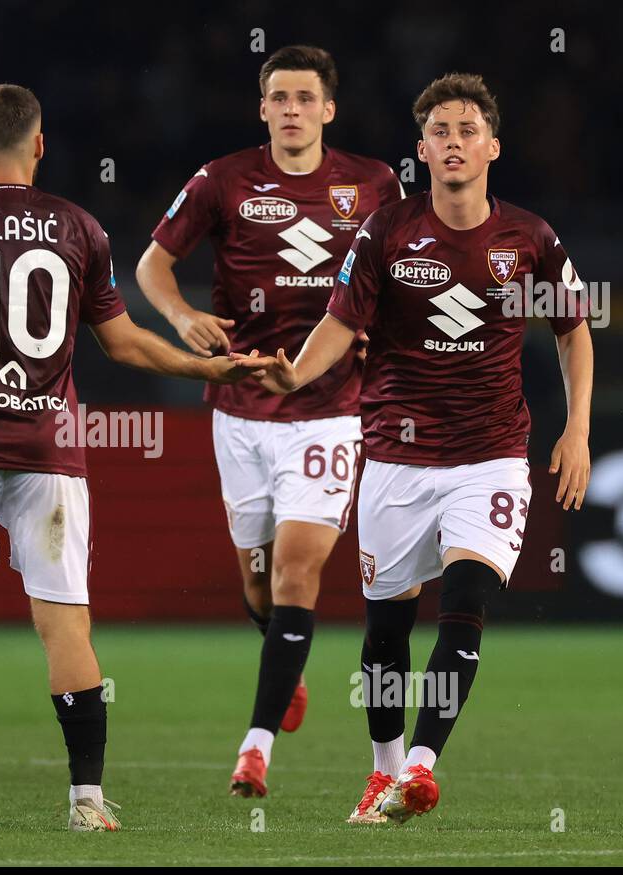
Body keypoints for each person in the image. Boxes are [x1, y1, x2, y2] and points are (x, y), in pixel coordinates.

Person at [0, 84, 257, 832]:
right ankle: (86, 800)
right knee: (66, 625)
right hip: (49, 447)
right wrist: (205, 367)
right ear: (40, 145)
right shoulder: (78, 226)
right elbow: (121, 341)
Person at [235, 73, 594, 823]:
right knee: (386, 630)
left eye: (467, 130)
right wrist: (294, 375)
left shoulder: (529, 237)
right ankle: (384, 770)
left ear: (492, 147)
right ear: (420, 149)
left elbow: (573, 330)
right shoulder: (387, 230)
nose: (453, 142)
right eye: (439, 131)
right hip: (396, 460)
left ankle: (423, 768)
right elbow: (339, 321)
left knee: (466, 600)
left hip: (491, 456)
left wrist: (578, 429)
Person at [136, 45, 403, 797]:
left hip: (331, 411)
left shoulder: (373, 183)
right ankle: (284, 663)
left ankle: (254, 749)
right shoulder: (222, 179)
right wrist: (183, 314)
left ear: (328, 109)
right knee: (256, 581)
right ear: (263, 109)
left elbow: (397, 274)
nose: (291, 110)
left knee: (295, 570)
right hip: (240, 408)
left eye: (304, 98)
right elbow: (151, 264)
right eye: (278, 98)